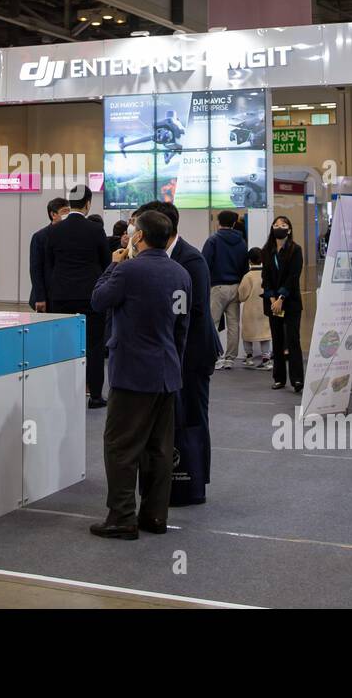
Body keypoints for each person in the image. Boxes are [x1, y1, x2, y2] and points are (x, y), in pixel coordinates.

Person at [88, 209, 190, 539]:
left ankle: (121, 517)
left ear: (139, 237)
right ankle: (155, 515)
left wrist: (113, 264)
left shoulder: (128, 271)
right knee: (159, 449)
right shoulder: (181, 274)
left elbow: (99, 300)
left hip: (132, 373)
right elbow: (181, 329)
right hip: (167, 372)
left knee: (120, 446)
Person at [140, 200, 219, 505]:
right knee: (173, 416)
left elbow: (192, 311)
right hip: (172, 352)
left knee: (194, 418)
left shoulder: (191, 260)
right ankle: (173, 477)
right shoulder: (157, 258)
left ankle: (196, 479)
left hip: (194, 354)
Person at [46, 185, 113, 408]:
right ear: (87, 203)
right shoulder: (95, 230)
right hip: (90, 295)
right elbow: (106, 263)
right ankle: (94, 395)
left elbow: (49, 265)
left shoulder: (54, 231)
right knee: (93, 345)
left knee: (64, 345)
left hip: (61, 296)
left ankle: (64, 391)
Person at [261, 215, 305, 391]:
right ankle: (279, 378)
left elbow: (293, 277)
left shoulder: (296, 250)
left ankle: (297, 379)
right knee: (277, 339)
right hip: (273, 304)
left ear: (289, 229)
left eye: (284, 224)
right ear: (272, 228)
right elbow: (266, 278)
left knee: (293, 339)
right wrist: (272, 299)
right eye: (277, 224)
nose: (280, 227)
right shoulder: (267, 251)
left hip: (290, 302)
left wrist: (281, 298)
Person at [203, 210, 249, 370]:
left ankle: (215, 356)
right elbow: (245, 266)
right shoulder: (242, 242)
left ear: (218, 222)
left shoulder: (213, 240)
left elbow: (205, 264)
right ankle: (230, 358)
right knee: (233, 323)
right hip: (235, 286)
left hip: (217, 287)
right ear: (234, 223)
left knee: (213, 323)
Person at [28, 196, 68, 312]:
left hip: (66, 293)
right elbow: (36, 269)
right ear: (53, 214)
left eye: (69, 211)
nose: (67, 215)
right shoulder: (40, 237)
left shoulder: (70, 235)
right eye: (64, 212)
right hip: (47, 294)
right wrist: (40, 297)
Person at [238, 247, 273, 369]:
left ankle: (249, 357)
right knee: (265, 334)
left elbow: (242, 295)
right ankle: (266, 359)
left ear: (249, 261)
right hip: (265, 309)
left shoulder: (248, 276)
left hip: (250, 311)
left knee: (248, 333)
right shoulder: (267, 274)